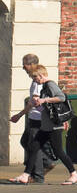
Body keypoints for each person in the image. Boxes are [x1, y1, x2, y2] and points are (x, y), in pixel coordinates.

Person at [12, 66, 77, 186]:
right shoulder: (44, 87)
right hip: (46, 125)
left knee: (59, 152)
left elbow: (61, 97)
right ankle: (26, 175)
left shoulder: (50, 84)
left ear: (41, 75)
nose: (34, 80)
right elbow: (39, 104)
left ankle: (74, 174)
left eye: (35, 77)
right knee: (33, 147)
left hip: (53, 126)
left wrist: (44, 100)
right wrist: (21, 114)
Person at [7, 53, 53, 181]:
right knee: (25, 141)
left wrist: (19, 115)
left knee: (34, 146)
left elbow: (33, 102)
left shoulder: (38, 81)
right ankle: (47, 162)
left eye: (24, 65)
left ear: (32, 65)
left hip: (38, 119)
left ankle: (37, 175)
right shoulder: (35, 80)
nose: (23, 68)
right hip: (35, 118)